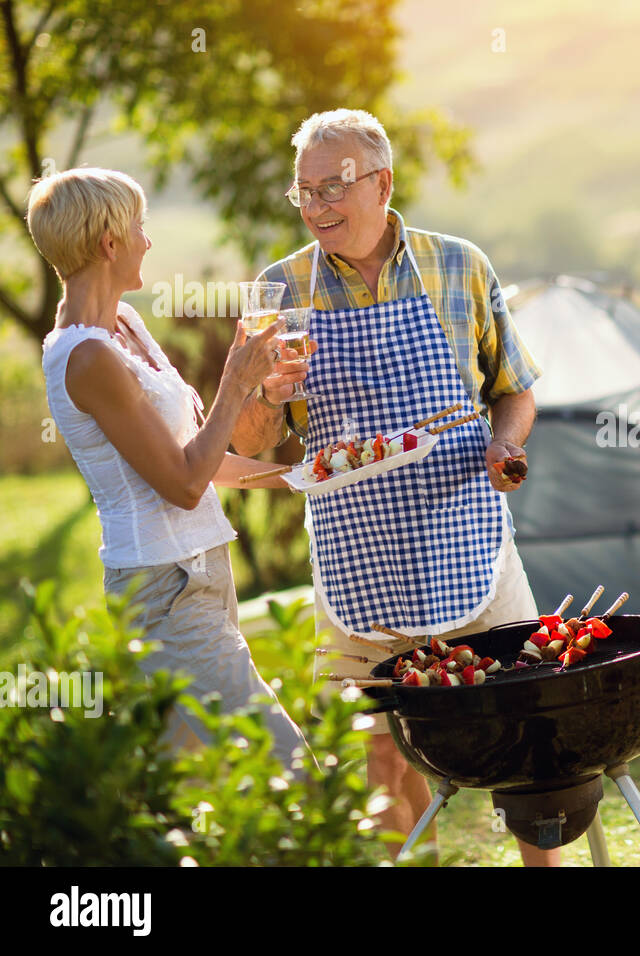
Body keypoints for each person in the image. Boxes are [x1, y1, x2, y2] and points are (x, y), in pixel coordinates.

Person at [229, 109, 556, 864]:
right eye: (304, 193)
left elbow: (515, 388)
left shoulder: (461, 265)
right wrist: (266, 395)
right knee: (381, 756)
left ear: (382, 182)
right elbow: (250, 447)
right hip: (356, 557)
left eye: (333, 188)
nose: (317, 208)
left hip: (466, 538)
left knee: (529, 737)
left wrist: (504, 444)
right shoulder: (278, 289)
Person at [31, 167, 310, 766]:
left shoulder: (124, 327)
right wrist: (236, 382)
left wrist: (306, 478)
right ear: (109, 244)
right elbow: (184, 485)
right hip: (163, 587)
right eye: (139, 227)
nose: (148, 241)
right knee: (289, 768)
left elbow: (195, 459)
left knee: (195, 786)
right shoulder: (87, 358)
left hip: (203, 570)